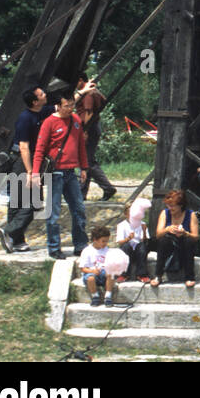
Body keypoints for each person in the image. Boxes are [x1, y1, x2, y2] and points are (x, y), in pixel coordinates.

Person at [30, 91, 88, 259]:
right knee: (53, 212)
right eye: (66, 106)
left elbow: (81, 146)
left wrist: (84, 167)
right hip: (55, 172)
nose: (70, 109)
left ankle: (80, 244)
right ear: (58, 106)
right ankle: (54, 247)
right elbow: (40, 149)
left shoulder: (76, 120)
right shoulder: (49, 122)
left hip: (71, 172)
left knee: (79, 209)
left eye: (72, 105)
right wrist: (35, 173)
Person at [0, 85, 50, 253]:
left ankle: (16, 241)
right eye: (42, 94)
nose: (45, 94)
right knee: (34, 203)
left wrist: (83, 91)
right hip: (23, 162)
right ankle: (9, 231)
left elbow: (63, 105)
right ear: (35, 101)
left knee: (16, 203)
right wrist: (31, 171)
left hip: (26, 162)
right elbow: (23, 147)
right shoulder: (25, 118)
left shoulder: (40, 112)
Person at [76, 73, 115, 201]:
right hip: (93, 127)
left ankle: (107, 188)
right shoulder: (94, 92)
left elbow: (88, 113)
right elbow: (103, 101)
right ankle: (81, 193)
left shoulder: (88, 95)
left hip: (89, 128)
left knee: (87, 162)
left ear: (81, 80)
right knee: (86, 161)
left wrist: (84, 130)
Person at [152, 189, 199, 287]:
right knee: (163, 241)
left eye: (172, 206)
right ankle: (158, 275)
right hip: (169, 244)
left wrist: (185, 233)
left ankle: (189, 277)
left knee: (189, 241)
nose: (170, 208)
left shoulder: (191, 214)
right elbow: (158, 234)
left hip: (184, 245)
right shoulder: (165, 213)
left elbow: (195, 237)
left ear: (181, 205)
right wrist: (167, 229)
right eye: (168, 206)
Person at [79, 226, 119, 307]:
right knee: (90, 278)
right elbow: (83, 268)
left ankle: (108, 296)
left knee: (110, 274)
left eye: (107, 241)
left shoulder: (107, 250)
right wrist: (92, 271)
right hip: (91, 273)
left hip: (103, 273)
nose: (105, 244)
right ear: (95, 240)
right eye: (103, 241)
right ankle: (95, 296)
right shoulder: (87, 251)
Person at [116, 199, 152, 283]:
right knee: (125, 246)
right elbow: (120, 242)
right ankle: (124, 274)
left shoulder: (142, 224)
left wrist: (143, 231)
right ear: (126, 214)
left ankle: (142, 274)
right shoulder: (122, 225)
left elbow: (145, 240)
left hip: (139, 250)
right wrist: (128, 238)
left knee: (142, 247)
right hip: (127, 250)